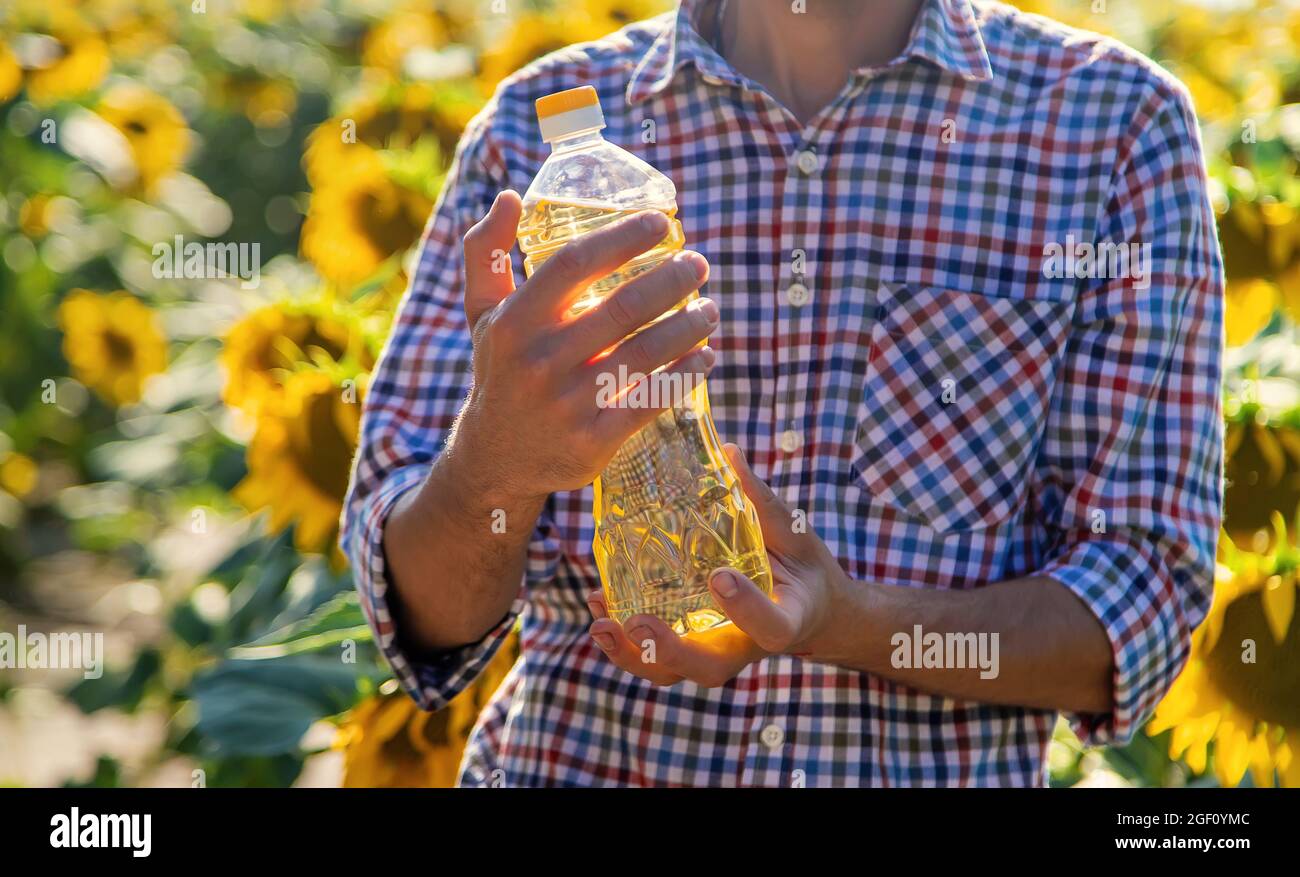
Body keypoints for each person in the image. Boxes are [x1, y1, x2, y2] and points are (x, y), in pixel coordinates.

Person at [341, 0, 1224, 786]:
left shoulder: (1111, 125)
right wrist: (492, 467)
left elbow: (1137, 605)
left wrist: (848, 621)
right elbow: (424, 615)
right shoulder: (531, 134)